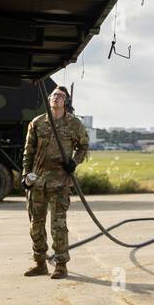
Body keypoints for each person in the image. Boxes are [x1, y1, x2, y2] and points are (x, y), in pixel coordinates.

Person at [22, 86, 89, 279]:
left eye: (60, 96)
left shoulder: (73, 124)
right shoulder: (37, 123)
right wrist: (26, 175)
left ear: (66, 101)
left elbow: (83, 146)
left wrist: (74, 162)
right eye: (53, 95)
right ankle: (40, 263)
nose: (56, 98)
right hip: (38, 181)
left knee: (58, 225)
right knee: (36, 224)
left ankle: (61, 265)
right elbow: (29, 151)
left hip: (60, 182)